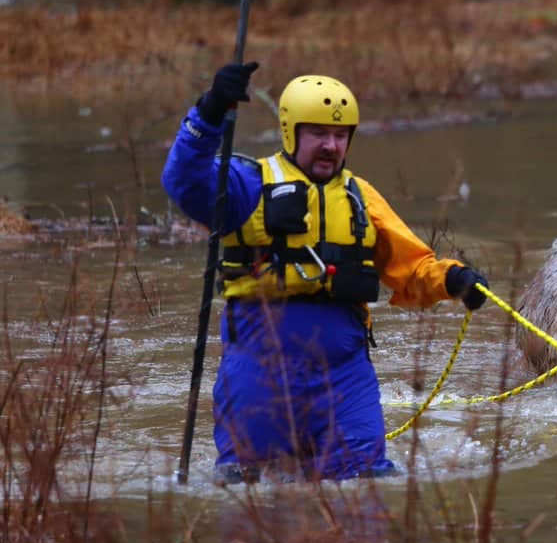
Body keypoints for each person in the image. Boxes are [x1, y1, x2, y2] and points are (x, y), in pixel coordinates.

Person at [162, 63, 489, 483]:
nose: (331, 146)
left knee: (367, 486)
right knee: (250, 489)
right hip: (261, 369)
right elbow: (183, 182)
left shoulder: (360, 197)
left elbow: (413, 268)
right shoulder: (248, 184)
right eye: (317, 133)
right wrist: (209, 114)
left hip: (343, 372)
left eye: (340, 136)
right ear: (290, 131)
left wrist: (454, 280)